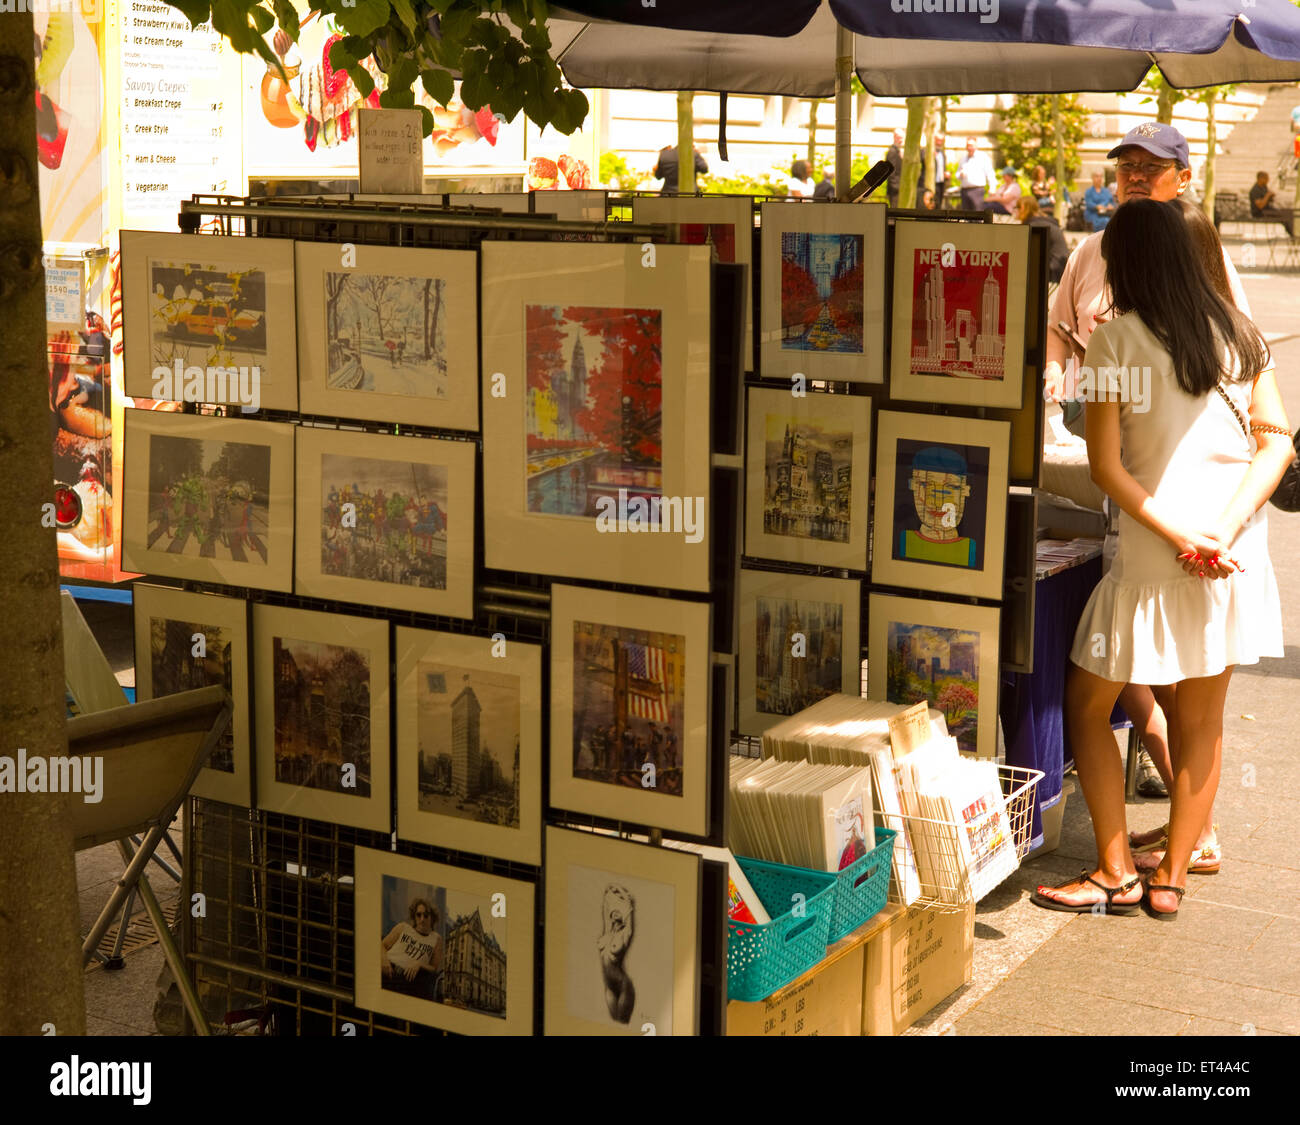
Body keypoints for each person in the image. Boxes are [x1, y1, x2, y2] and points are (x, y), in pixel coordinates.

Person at [1031, 198, 1291, 918]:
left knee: (1087, 701)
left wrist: (1181, 536)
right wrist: (1222, 529)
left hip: (1156, 556)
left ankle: (1115, 867)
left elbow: (1108, 468)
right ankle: (1171, 874)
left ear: (1126, 262)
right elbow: (1276, 443)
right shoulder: (1240, 336)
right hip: (1231, 556)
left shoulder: (1116, 341)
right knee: (1202, 720)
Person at [1045, 122, 1254, 812]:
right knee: (1133, 647)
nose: (1134, 176)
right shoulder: (1090, 251)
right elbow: (1058, 333)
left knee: (1154, 654)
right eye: (1125, 166)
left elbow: (1239, 367)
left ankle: (1182, 813)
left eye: (1151, 166)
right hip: (1107, 456)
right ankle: (1180, 817)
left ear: (1182, 177)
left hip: (1169, 481)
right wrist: (1057, 395)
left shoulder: (1197, 246)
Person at [381, 898, 443, 997]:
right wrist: (384, 960)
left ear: (432, 918)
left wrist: (419, 964)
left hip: (411, 982)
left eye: (426, 915)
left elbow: (434, 968)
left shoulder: (436, 939)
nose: (422, 919)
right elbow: (381, 945)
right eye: (418, 915)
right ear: (414, 916)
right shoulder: (403, 927)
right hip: (388, 971)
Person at [1016, 196, 1069, 283]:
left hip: (1053, 268)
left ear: (1023, 208)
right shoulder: (1043, 221)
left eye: (1017, 207)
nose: (1015, 211)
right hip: (1061, 265)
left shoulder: (1034, 225)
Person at [1248, 170, 1294, 237]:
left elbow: (1267, 199)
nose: (1268, 180)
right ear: (1261, 179)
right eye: (1266, 178)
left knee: (1289, 213)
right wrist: (1267, 195)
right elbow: (1260, 206)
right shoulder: (1255, 190)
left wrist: (1271, 196)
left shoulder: (1264, 187)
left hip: (1268, 209)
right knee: (1285, 216)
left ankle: (1293, 233)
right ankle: (1293, 235)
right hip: (1260, 212)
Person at [956, 136, 996, 211]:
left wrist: (992, 187)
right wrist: (960, 175)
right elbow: (957, 175)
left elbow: (990, 173)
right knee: (966, 216)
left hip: (977, 191)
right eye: (968, 145)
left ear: (976, 146)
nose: (969, 147)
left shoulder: (983, 157)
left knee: (978, 214)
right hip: (965, 191)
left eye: (971, 145)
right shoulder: (963, 158)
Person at [885, 129, 903, 207]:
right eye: (900, 138)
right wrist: (898, 188)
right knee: (895, 213)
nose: (901, 140)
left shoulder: (898, 151)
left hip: (898, 189)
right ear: (895, 137)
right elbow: (891, 172)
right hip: (895, 191)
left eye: (902, 138)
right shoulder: (892, 152)